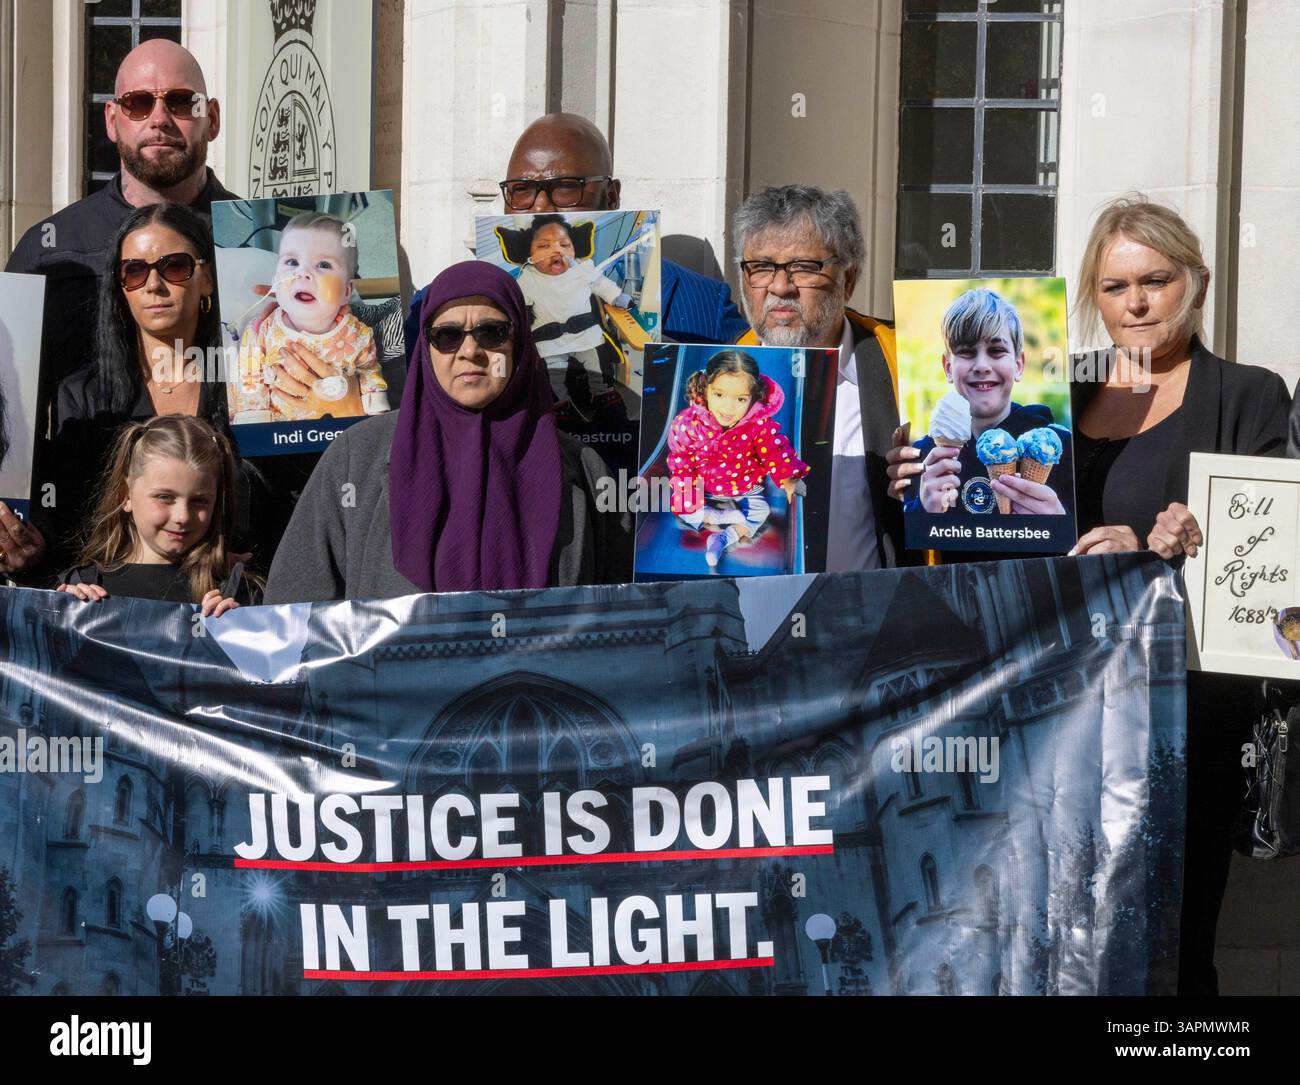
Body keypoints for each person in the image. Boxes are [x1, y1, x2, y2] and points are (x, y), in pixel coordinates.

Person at [1066, 194, 1290, 995]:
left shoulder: (1250, 395)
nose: (1134, 302)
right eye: (1113, 285)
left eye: (1154, 280)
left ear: (1194, 280)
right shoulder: (1057, 396)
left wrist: (1169, 553)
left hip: (1183, 713)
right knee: (1064, 933)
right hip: (1060, 715)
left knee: (1173, 939)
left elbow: (1277, 566)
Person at [264, 262, 631, 603]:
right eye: (448, 336)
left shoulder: (582, 468)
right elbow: (294, 611)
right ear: (427, 347)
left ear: (518, 344)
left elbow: (625, 623)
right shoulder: (356, 459)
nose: (470, 351)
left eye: (492, 333)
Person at [23, 203, 277, 577]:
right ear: (120, 288)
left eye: (174, 266)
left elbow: (286, 498)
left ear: (207, 279)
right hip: (115, 606)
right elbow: (66, 523)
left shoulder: (254, 380)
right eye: (135, 271)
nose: (154, 285)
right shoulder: (84, 396)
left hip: (232, 604)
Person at [4, 40, 234, 414]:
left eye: (180, 101)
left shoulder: (266, 245)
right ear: (112, 120)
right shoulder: (47, 251)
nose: (159, 119)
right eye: (139, 103)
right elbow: (9, 404)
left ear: (212, 119)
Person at [403, 113, 749, 353]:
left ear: (611, 195)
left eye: (565, 188)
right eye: (521, 190)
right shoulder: (438, 305)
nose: (539, 208)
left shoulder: (702, 301)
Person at [732, 184, 913, 570]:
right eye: (761, 267)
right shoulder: (710, 377)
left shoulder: (908, 364)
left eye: (804, 268)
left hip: (879, 617)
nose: (781, 287)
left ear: (848, 278)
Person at [55, 414, 257, 611]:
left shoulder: (232, 589)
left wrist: (237, 629)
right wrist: (62, 617)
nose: (182, 516)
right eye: (164, 497)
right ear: (125, 496)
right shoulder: (84, 586)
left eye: (199, 501)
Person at [904, 288, 1072, 519]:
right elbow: (898, 546)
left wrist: (1059, 521)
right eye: (966, 352)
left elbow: (1086, 540)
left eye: (996, 350)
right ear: (948, 367)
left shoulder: (1059, 450)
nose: (982, 365)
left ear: (1019, 364)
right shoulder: (922, 458)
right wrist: (922, 510)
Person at [231, 211, 389, 423]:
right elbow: (249, 380)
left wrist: (374, 409)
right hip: (277, 432)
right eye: (292, 262)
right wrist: (254, 425)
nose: (303, 273)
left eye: (323, 265)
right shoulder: (260, 331)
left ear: (346, 291)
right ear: (276, 280)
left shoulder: (357, 336)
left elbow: (369, 371)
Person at [667, 349, 809, 569]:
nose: (728, 407)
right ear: (706, 390)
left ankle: (724, 538)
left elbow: (775, 449)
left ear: (754, 397)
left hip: (744, 486)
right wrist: (689, 492)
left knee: (761, 512)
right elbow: (681, 460)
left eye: (741, 399)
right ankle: (713, 516)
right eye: (719, 395)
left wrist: (788, 478)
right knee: (681, 504)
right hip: (705, 486)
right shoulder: (690, 422)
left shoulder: (757, 425)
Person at [492, 213, 631, 422]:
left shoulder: (582, 270)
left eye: (564, 244)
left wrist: (618, 297)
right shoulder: (527, 279)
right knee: (550, 377)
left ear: (574, 250)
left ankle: (602, 394)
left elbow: (601, 284)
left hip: (586, 336)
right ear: (529, 254)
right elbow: (515, 306)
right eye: (544, 246)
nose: (557, 250)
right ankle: (560, 406)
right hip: (549, 343)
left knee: (599, 364)